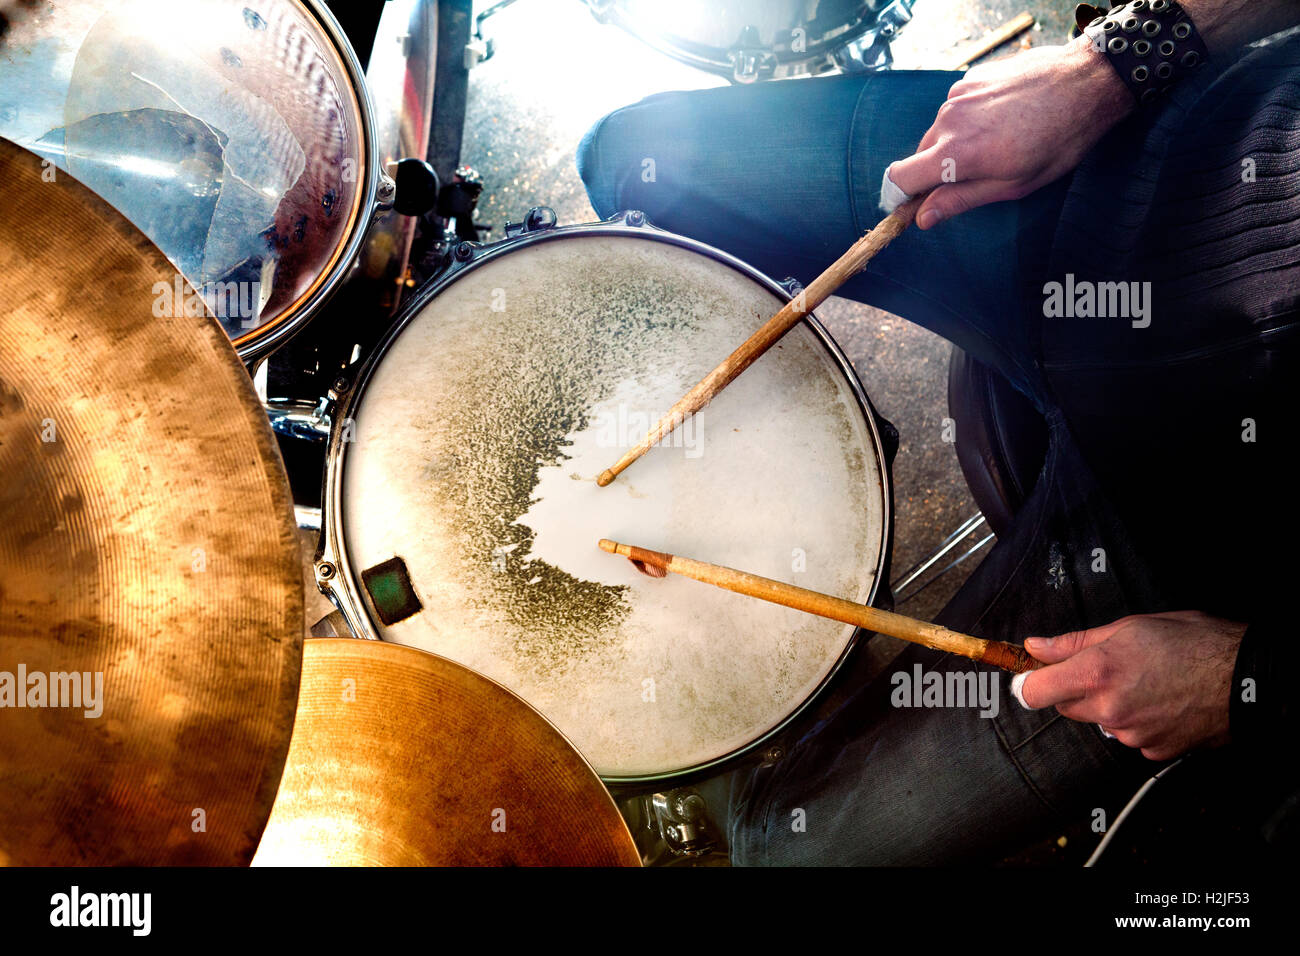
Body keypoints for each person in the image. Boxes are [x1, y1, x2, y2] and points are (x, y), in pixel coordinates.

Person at [576, 0, 1299, 864]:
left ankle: (817, 501)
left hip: (1194, 566)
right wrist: (1119, 59)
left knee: (782, 851)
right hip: (1127, 190)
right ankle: (814, 458)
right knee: (629, 165)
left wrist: (1244, 682)